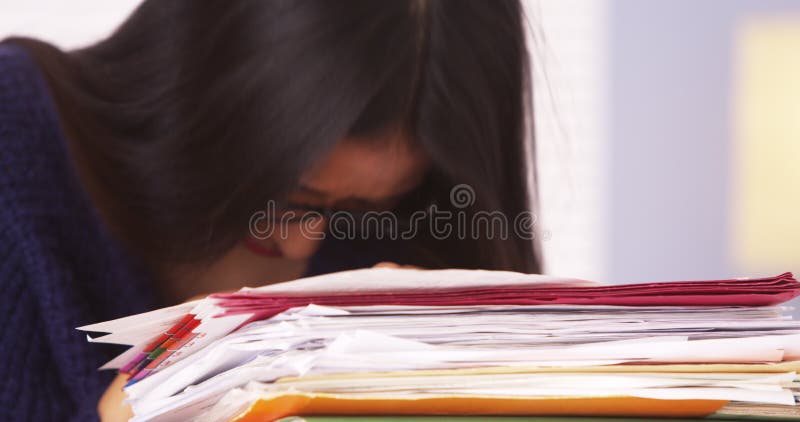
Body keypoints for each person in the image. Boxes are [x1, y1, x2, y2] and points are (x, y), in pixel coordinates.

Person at [0, 0, 541, 420]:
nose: (305, 244)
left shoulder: (416, 233)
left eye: (361, 210)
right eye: (290, 198)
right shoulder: (16, 153)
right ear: (208, 81)